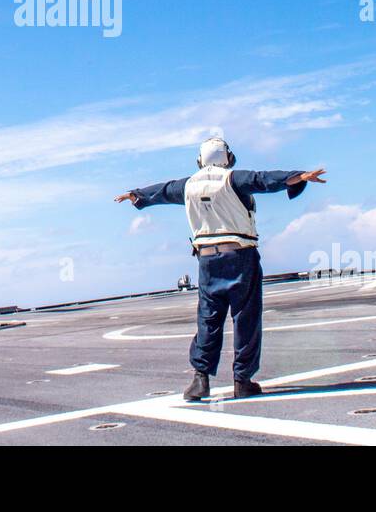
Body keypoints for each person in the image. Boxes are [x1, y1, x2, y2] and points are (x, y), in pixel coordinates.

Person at [115, 136, 325, 401]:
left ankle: (199, 380)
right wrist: (300, 176)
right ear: (228, 158)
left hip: (207, 260)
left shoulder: (187, 186)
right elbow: (265, 180)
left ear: (200, 160)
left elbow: (164, 191)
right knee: (245, 318)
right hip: (240, 256)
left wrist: (137, 195)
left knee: (208, 320)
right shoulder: (234, 179)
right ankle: (242, 380)